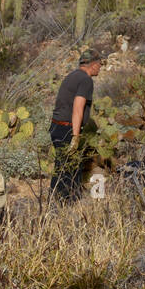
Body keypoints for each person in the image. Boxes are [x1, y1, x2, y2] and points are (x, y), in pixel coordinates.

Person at [49, 48, 103, 201]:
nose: (101, 67)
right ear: (93, 64)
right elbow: (78, 108)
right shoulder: (86, 80)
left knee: (62, 167)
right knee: (70, 169)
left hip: (57, 127)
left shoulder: (72, 76)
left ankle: (54, 201)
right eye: (100, 63)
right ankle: (67, 204)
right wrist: (76, 136)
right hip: (67, 129)